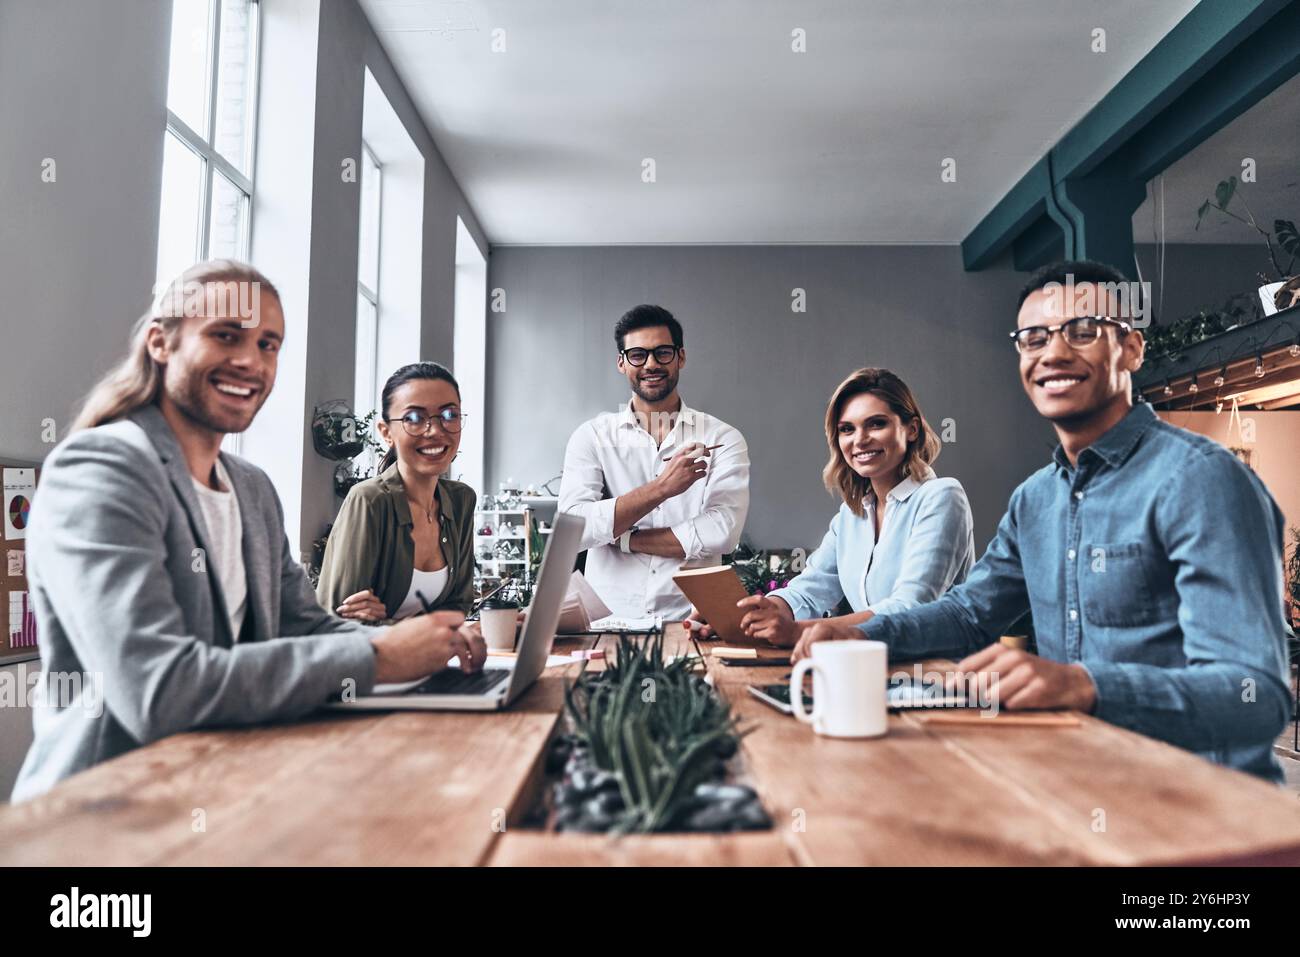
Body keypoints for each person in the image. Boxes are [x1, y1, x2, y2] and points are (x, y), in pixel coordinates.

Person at [798, 260, 1292, 782]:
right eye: (1033, 338)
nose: (1053, 352)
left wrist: (1084, 685)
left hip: (1202, 805)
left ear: (1131, 349)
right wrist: (862, 636)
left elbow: (1255, 695)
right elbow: (967, 616)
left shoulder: (1204, 481)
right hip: (1079, 778)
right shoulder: (1035, 500)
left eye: (1082, 332)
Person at [12, 262, 485, 801]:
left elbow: (305, 628)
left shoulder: (250, 488)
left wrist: (424, 644)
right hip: (110, 815)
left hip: (227, 789)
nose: (250, 361)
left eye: (268, 344)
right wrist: (378, 657)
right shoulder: (101, 470)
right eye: (226, 336)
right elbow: (157, 690)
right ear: (160, 343)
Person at [722, 368, 973, 646]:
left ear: (911, 429)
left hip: (939, 676)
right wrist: (746, 619)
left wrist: (801, 631)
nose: (859, 439)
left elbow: (911, 607)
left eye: (876, 424)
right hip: (872, 670)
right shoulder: (850, 517)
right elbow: (808, 592)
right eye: (847, 429)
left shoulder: (942, 496)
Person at [558, 304, 749, 621]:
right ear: (622, 362)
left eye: (662, 353)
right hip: (606, 620)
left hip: (690, 619)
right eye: (637, 355)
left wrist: (624, 538)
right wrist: (662, 488)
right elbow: (574, 529)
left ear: (680, 357)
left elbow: (722, 533)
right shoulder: (591, 437)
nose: (651, 364)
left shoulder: (724, 438)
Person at [316, 362, 476, 623]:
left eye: (449, 415)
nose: (435, 431)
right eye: (414, 418)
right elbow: (339, 621)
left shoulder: (461, 501)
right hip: (363, 663)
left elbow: (459, 603)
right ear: (386, 432)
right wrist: (422, 627)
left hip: (428, 662)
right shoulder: (369, 500)